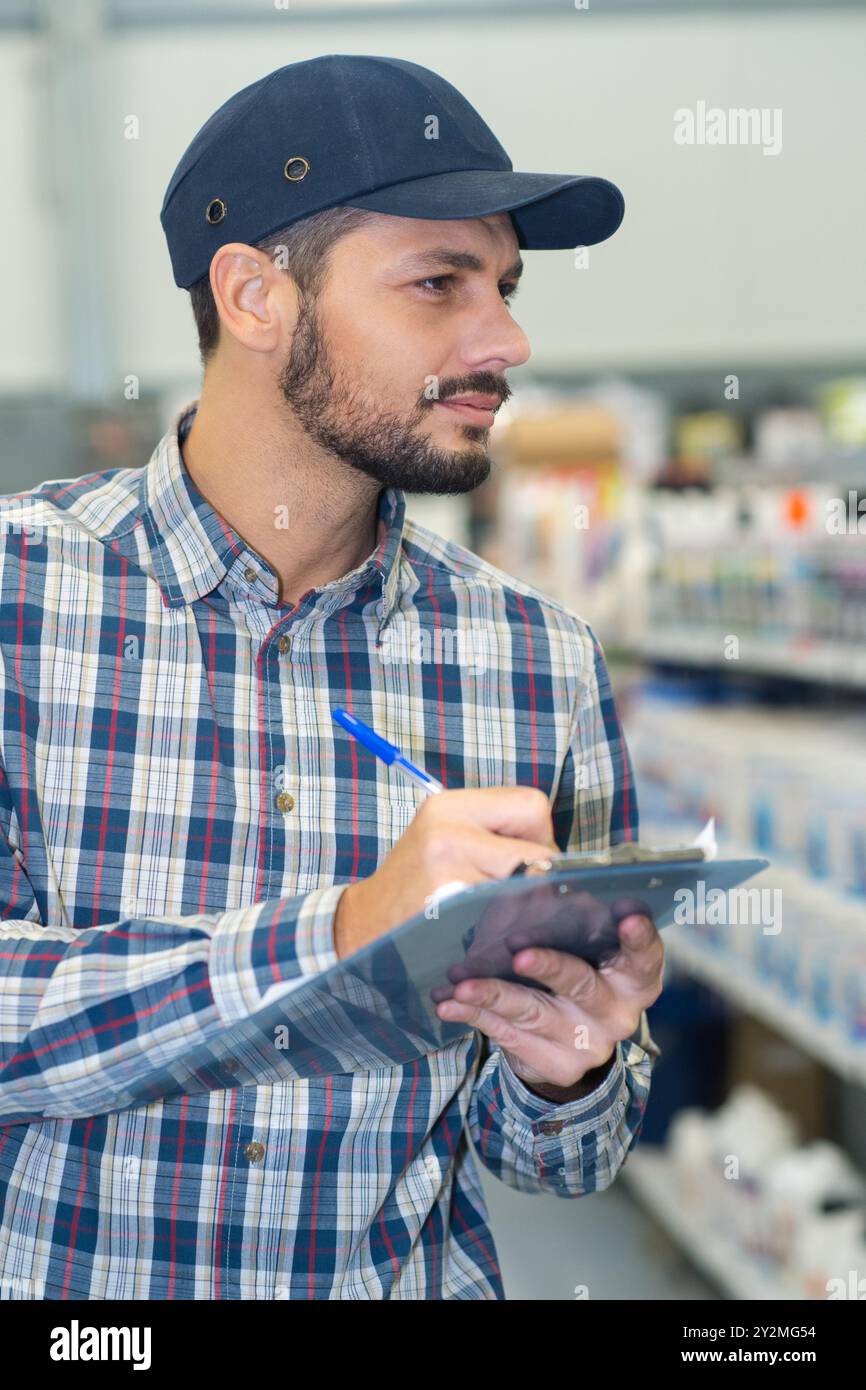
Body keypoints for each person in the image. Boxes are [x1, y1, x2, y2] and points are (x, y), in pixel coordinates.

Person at [0, 54, 662, 1301]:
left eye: (505, 286)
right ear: (255, 296)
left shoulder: (532, 660)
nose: (506, 339)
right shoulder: (20, 598)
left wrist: (566, 1067)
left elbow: (560, 1165)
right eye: (438, 284)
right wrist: (348, 934)